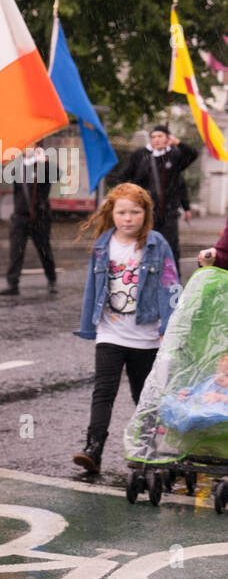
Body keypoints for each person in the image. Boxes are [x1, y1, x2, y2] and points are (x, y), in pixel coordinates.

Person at [72, 183, 180, 472]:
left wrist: (169, 324)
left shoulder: (157, 244)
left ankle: (146, 448)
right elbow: (91, 289)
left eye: (135, 212)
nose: (128, 218)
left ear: (146, 214)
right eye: (122, 212)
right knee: (103, 391)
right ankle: (93, 448)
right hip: (111, 332)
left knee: (143, 395)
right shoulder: (103, 245)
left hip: (146, 336)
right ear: (112, 213)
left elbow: (170, 284)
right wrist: (89, 325)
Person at [117, 125, 197, 276]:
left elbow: (192, 155)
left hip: (169, 212)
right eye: (153, 137)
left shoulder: (174, 156)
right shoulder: (141, 155)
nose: (156, 140)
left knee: (170, 247)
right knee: (143, 245)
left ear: (168, 138)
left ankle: (172, 280)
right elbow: (122, 176)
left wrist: (186, 207)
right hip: (145, 211)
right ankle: (142, 277)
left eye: (160, 136)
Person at [0, 146, 58, 296]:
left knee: (44, 251)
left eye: (32, 145)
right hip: (20, 215)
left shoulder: (43, 166)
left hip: (40, 216)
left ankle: (52, 280)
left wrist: (44, 162)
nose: (28, 149)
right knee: (16, 251)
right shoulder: (18, 166)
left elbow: (57, 175)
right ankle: (13, 284)